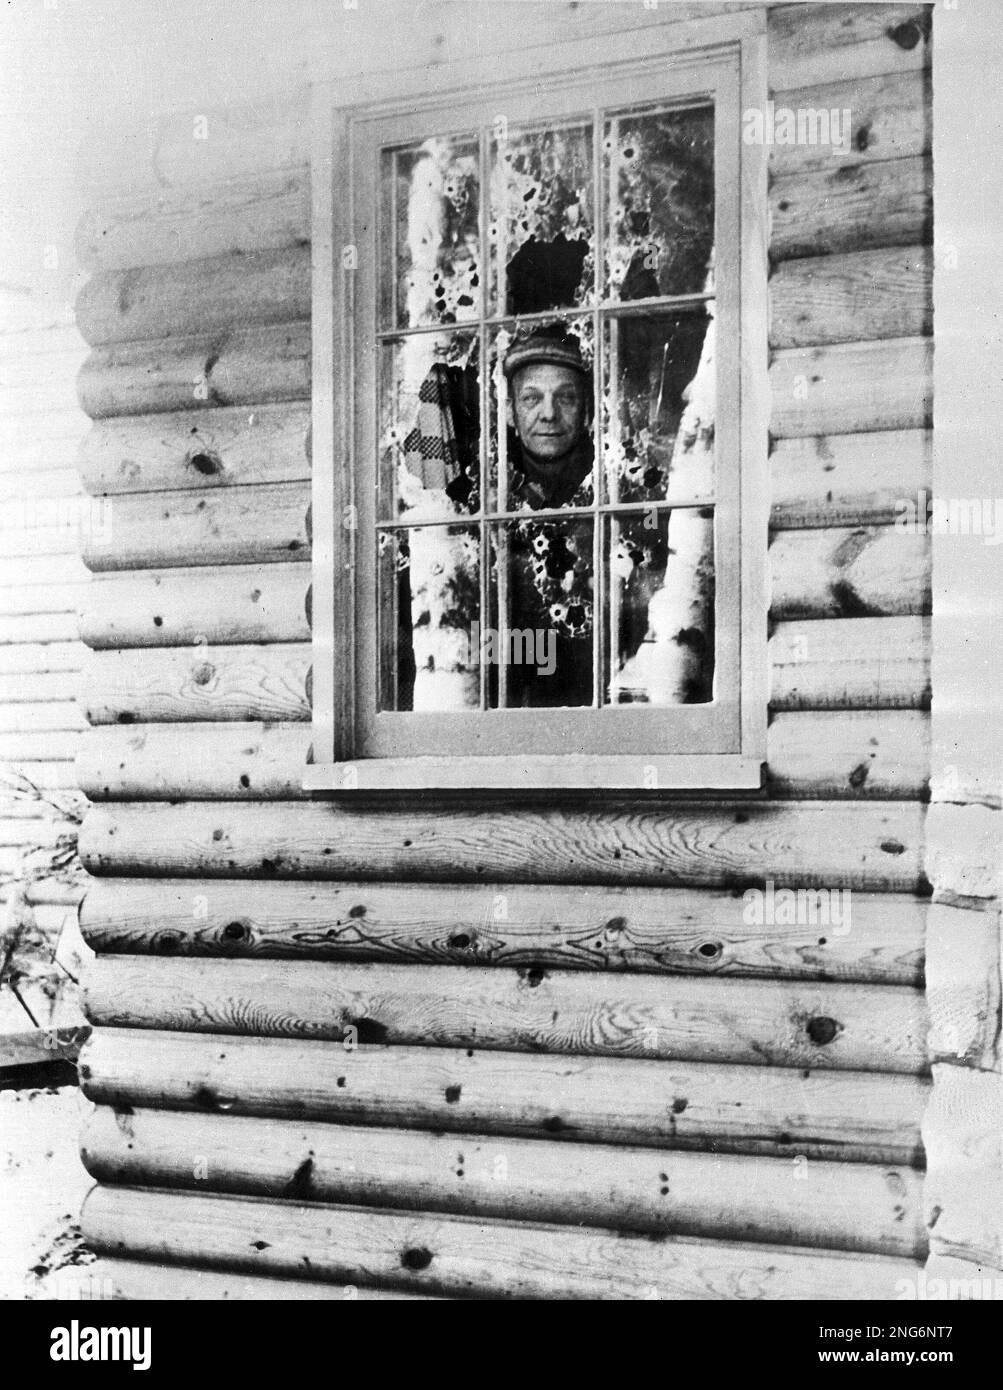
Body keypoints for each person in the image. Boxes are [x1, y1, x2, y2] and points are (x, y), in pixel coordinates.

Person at [499, 326, 595, 707]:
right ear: (509, 411)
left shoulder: (613, 488)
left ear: (586, 409)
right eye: (531, 398)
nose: (549, 413)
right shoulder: (489, 491)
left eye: (566, 398)